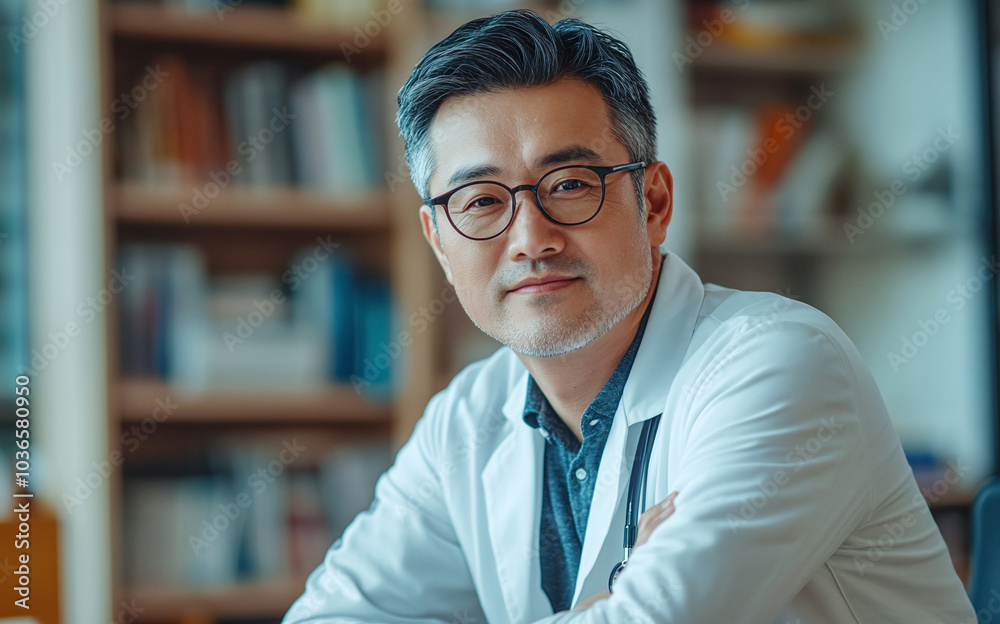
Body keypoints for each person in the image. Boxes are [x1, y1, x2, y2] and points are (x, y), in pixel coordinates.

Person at [284, 9, 977, 623]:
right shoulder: (464, 421)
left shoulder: (782, 364)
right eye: (482, 202)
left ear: (654, 203)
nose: (530, 238)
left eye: (570, 185)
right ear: (438, 240)